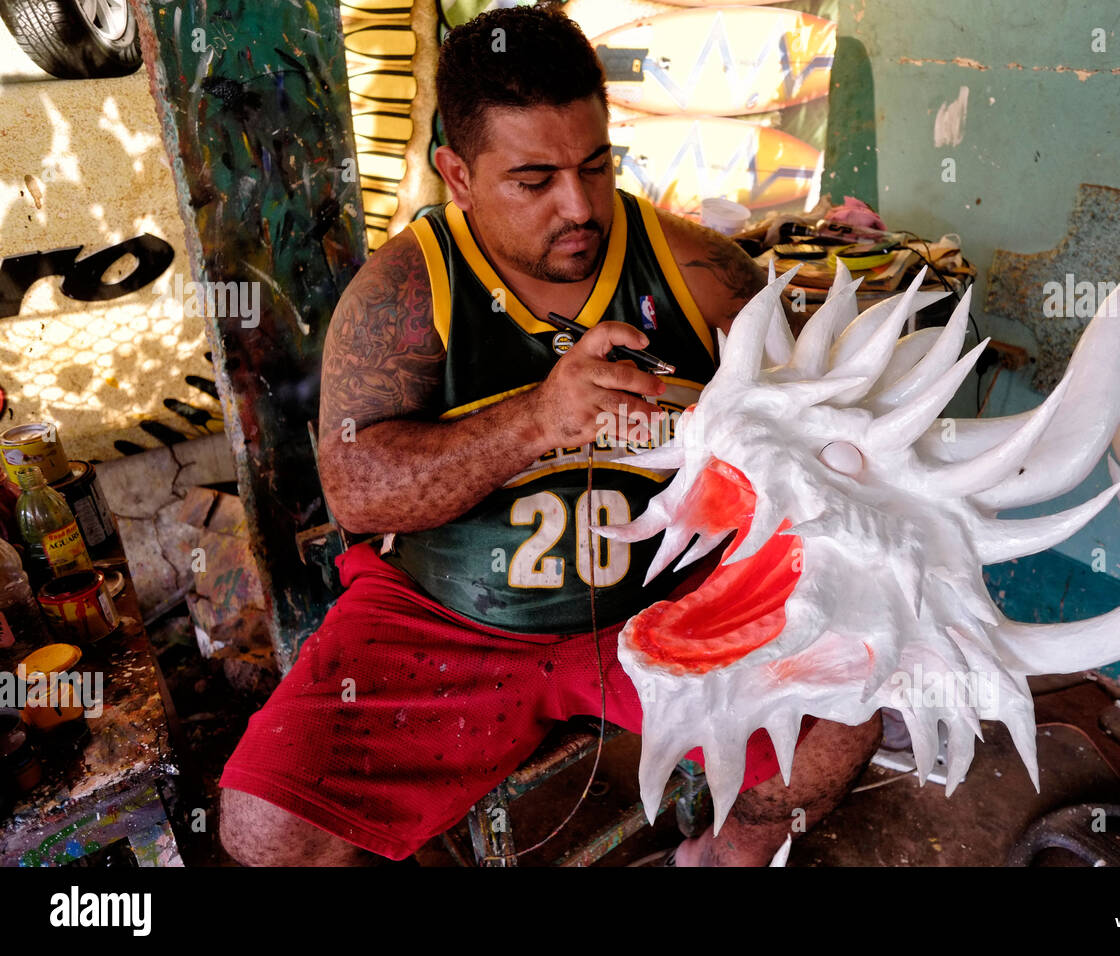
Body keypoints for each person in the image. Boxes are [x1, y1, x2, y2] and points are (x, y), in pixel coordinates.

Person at [218, 5, 881, 867]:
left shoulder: (701, 275)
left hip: (663, 607)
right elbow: (356, 490)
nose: (580, 207)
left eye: (596, 166)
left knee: (845, 715)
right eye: (534, 181)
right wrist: (537, 419)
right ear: (457, 175)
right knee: (263, 829)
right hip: (449, 620)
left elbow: (818, 431)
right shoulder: (402, 293)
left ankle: (715, 860)